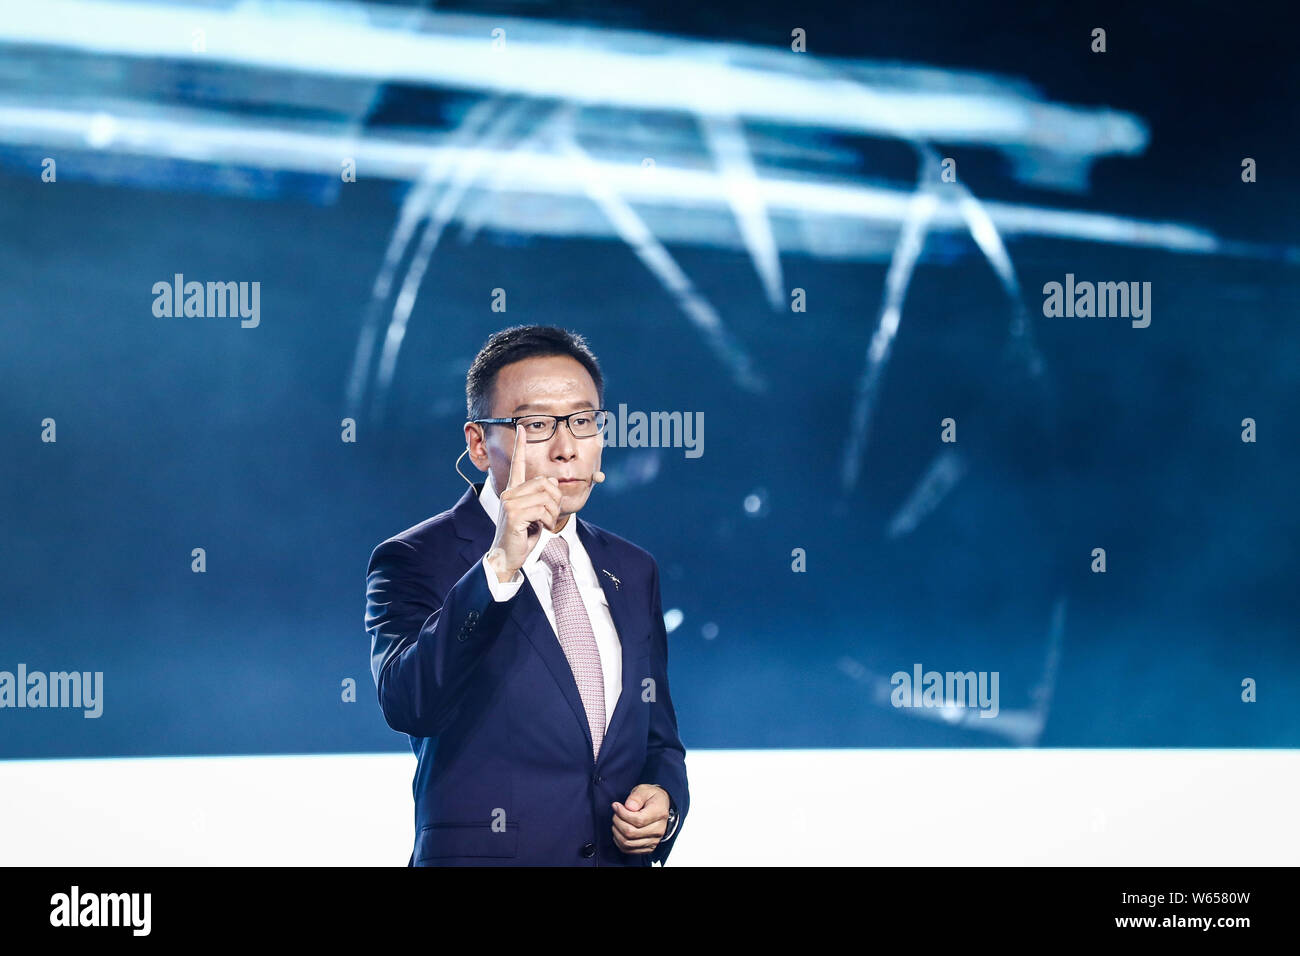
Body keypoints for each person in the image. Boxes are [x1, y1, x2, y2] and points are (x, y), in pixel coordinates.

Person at [365, 325, 689, 866]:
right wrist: (500, 565)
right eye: (536, 425)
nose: (566, 450)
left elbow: (657, 739)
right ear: (478, 443)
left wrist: (664, 802)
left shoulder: (633, 569)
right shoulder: (416, 557)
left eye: (583, 422)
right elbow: (408, 703)